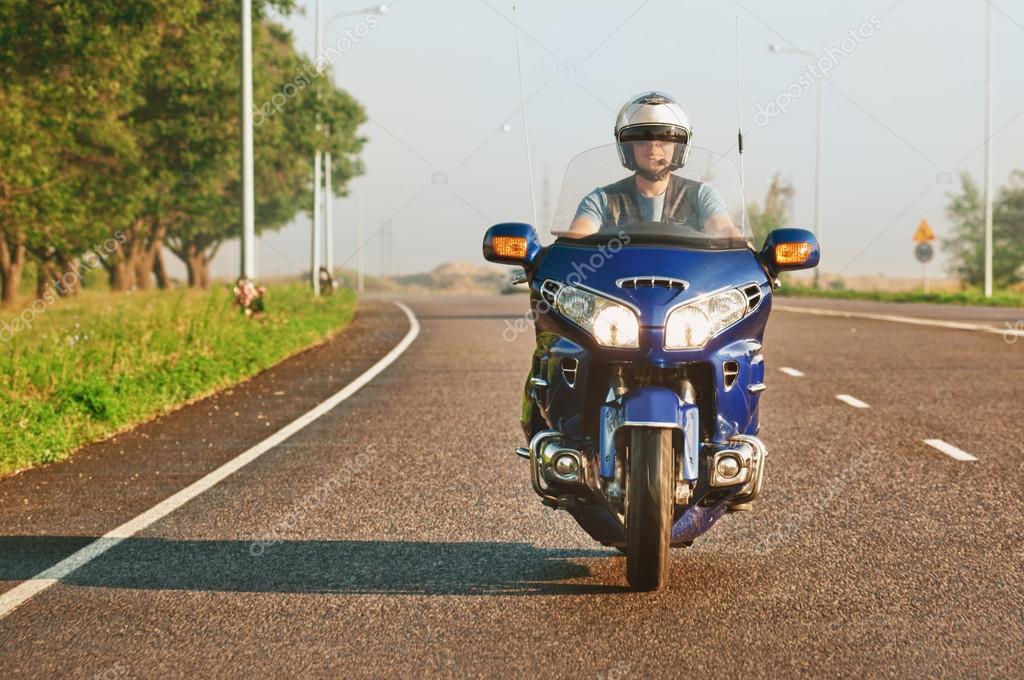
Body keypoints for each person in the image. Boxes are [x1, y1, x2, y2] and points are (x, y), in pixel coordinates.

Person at [566, 91, 742, 239]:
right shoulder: (602, 199)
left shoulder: (700, 195)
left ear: (678, 146)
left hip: (691, 278)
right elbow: (578, 235)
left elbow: (722, 229)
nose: (652, 146)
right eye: (641, 138)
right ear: (628, 147)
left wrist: (750, 254)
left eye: (665, 137)